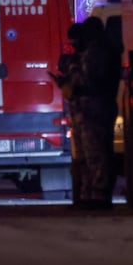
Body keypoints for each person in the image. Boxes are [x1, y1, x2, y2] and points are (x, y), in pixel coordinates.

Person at [72, 16, 121, 210]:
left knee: (96, 152)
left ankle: (98, 195)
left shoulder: (97, 52)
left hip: (95, 105)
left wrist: (73, 68)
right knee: (91, 152)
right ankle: (91, 194)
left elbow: (88, 79)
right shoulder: (102, 50)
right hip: (96, 105)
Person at [51, 22, 87, 204]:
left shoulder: (92, 57)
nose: (73, 46)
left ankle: (94, 196)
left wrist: (71, 73)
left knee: (92, 156)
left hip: (90, 111)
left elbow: (84, 83)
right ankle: (86, 195)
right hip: (83, 111)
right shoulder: (84, 57)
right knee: (82, 156)